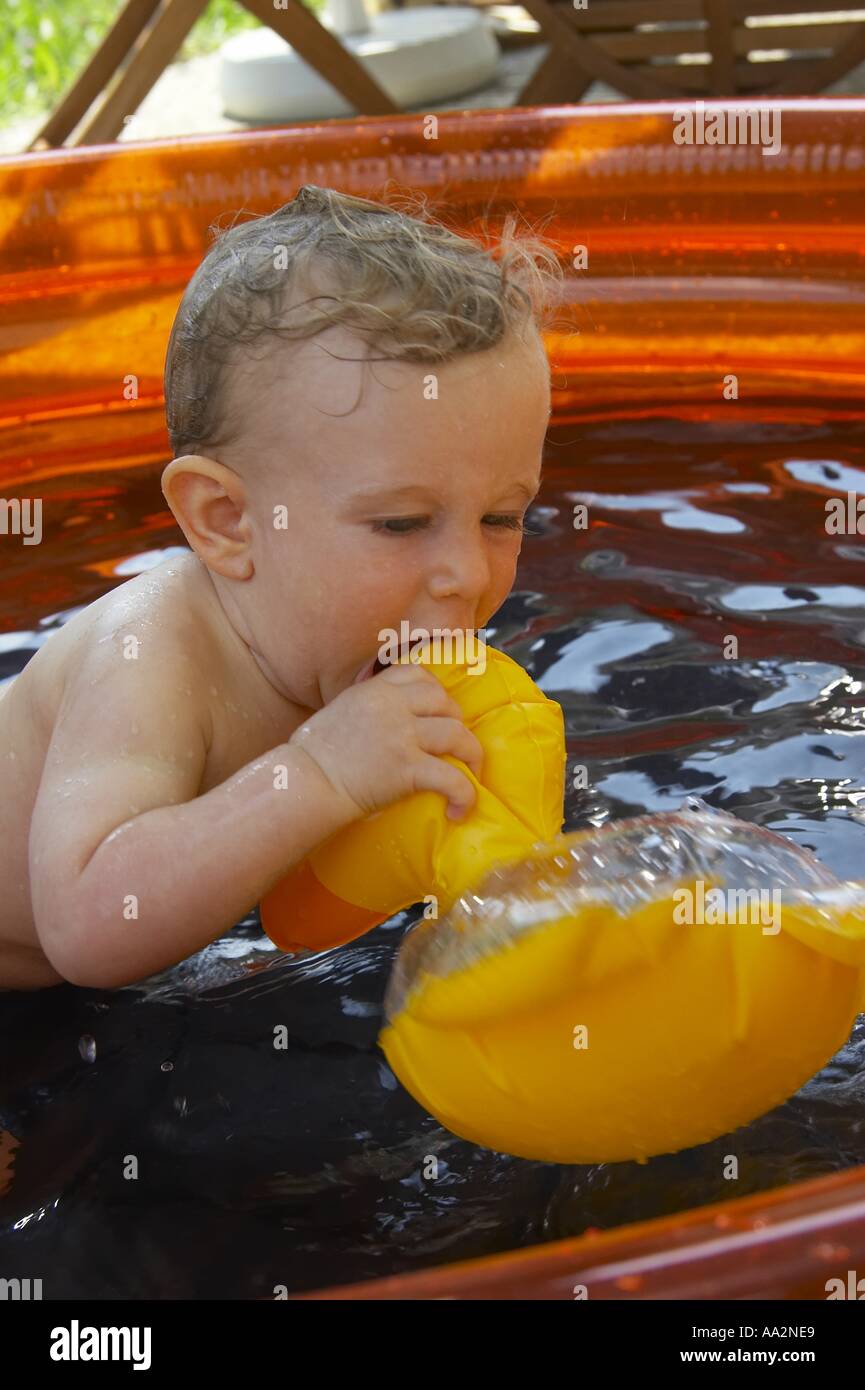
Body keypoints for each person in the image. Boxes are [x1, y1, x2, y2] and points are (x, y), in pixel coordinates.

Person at [0, 183, 559, 990]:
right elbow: (88, 925)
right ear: (226, 519)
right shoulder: (152, 657)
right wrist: (317, 777)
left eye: (503, 519)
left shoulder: (372, 645)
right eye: (401, 524)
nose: (467, 576)